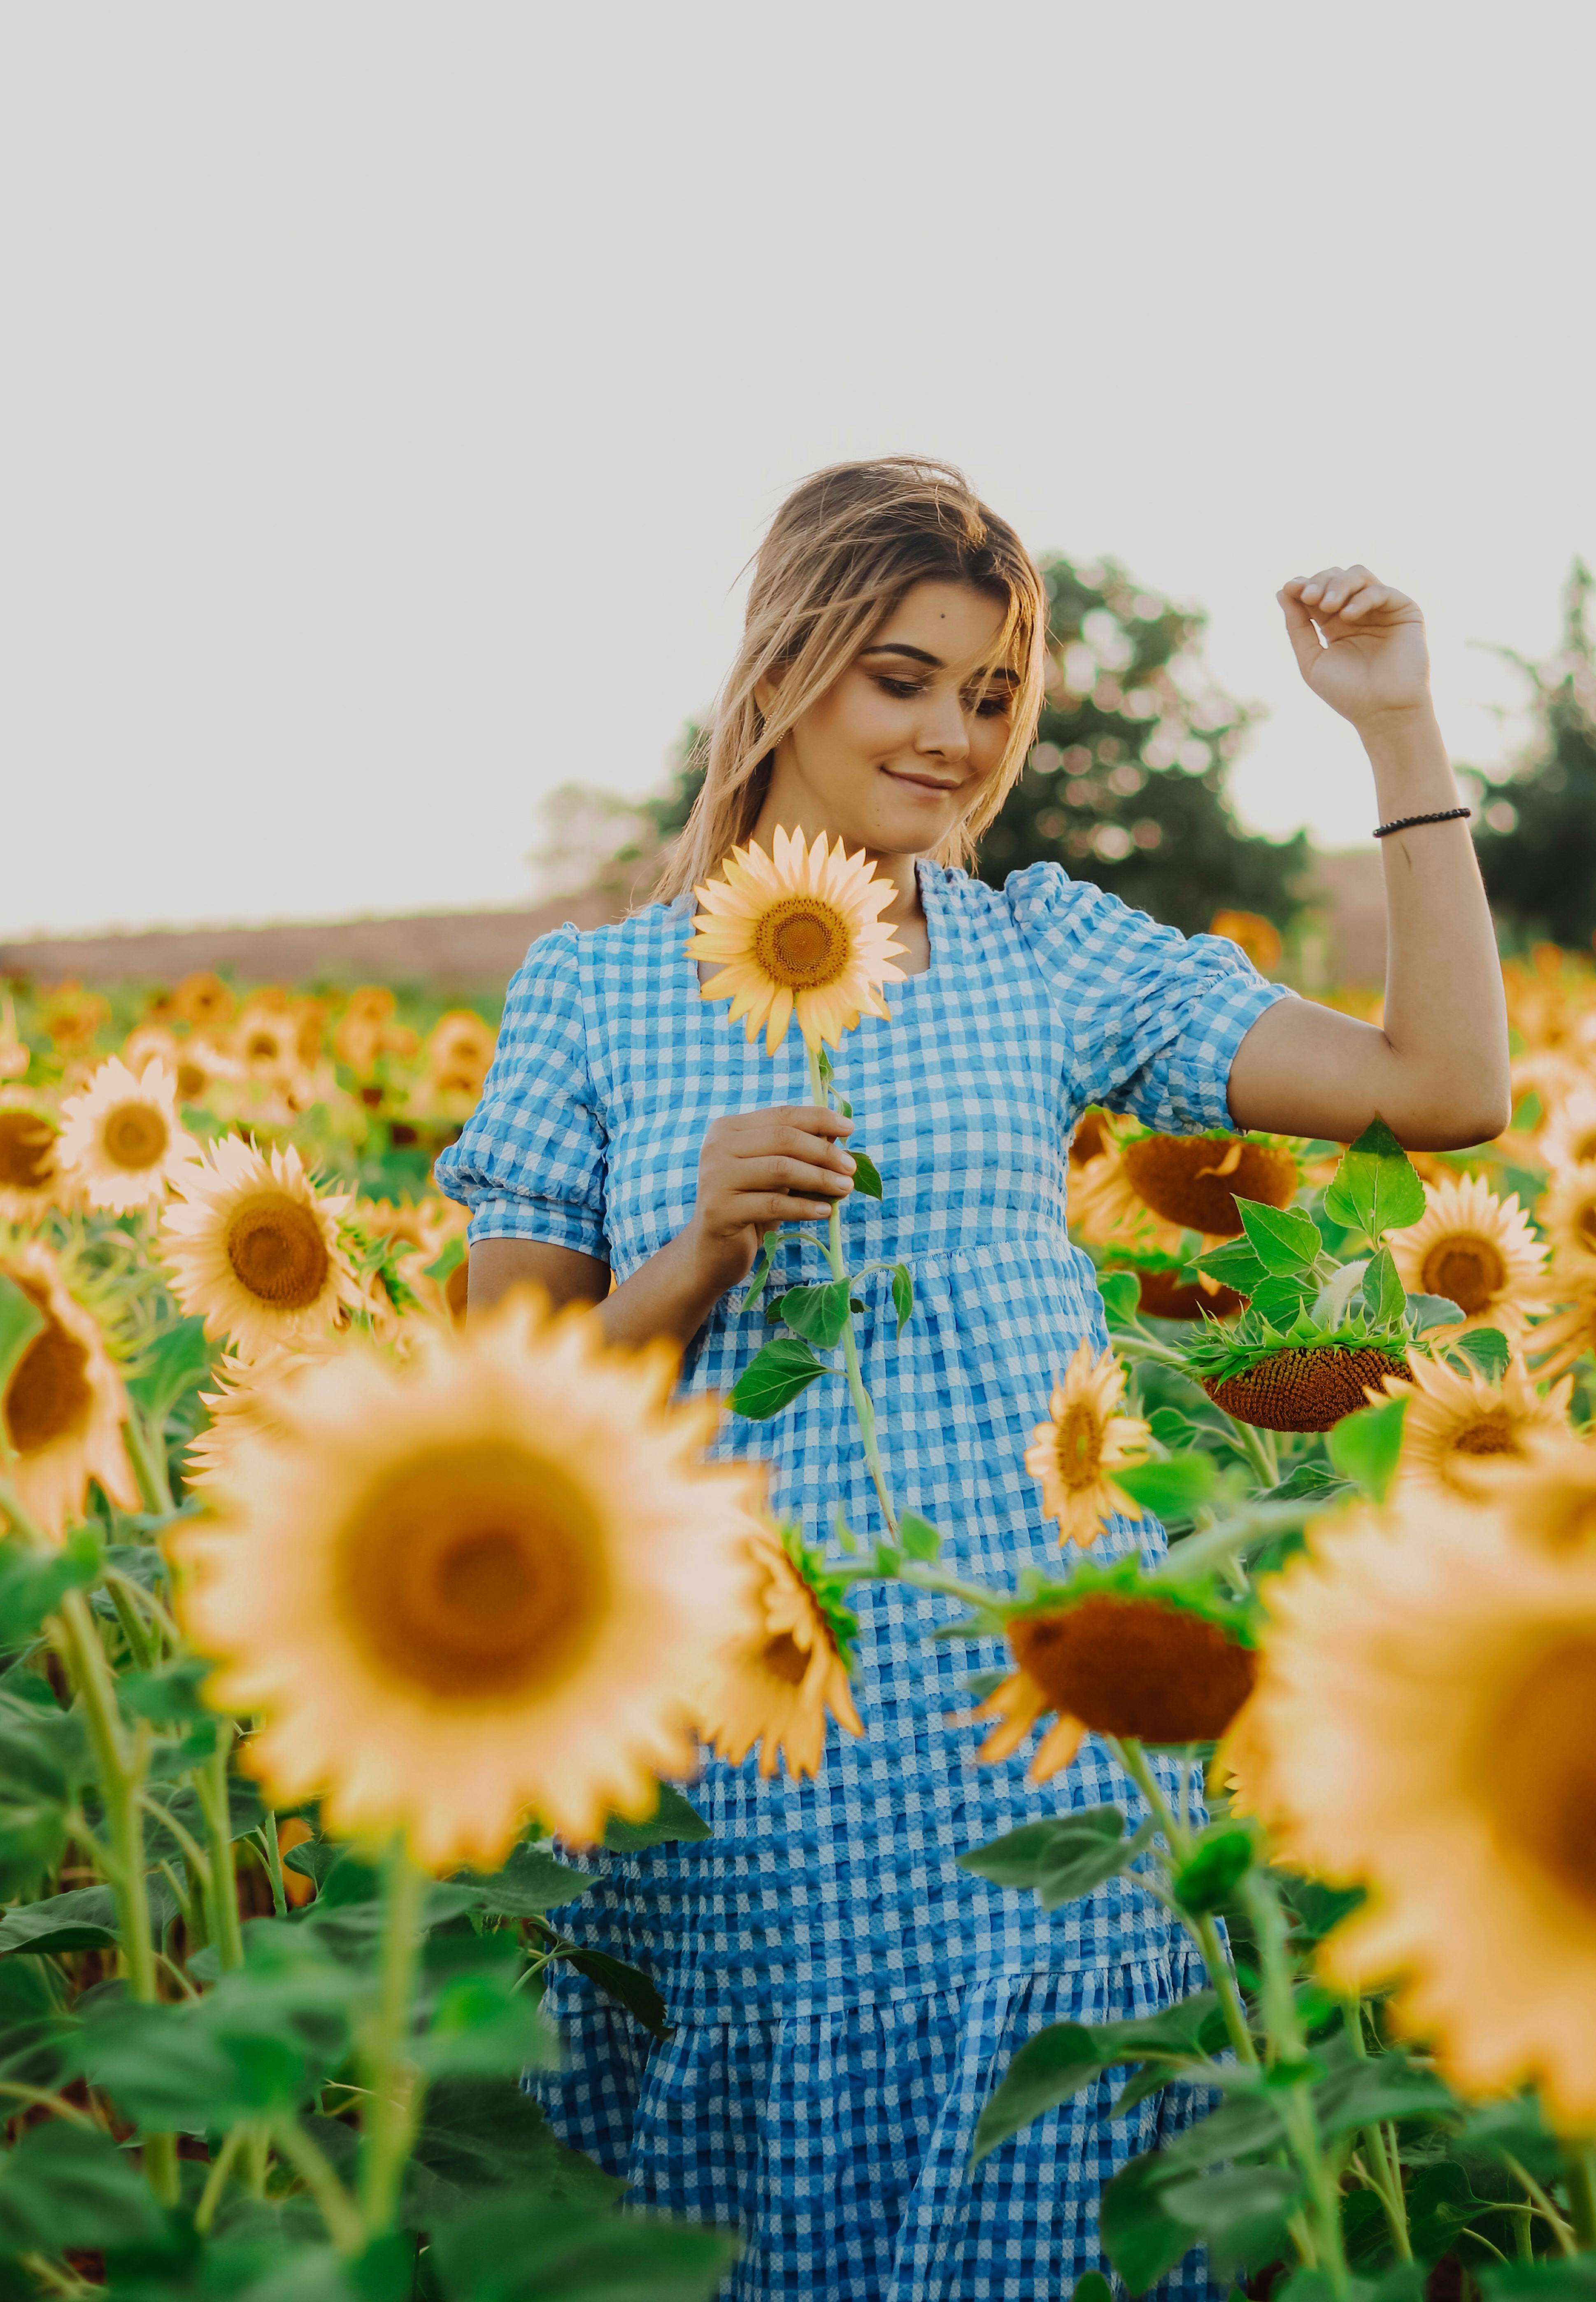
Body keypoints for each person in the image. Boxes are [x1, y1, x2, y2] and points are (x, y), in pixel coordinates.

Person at [435, 458, 1509, 2301]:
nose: (952, 736)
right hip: (747, 1772)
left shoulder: (1044, 950)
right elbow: (486, 1440)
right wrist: (690, 1260)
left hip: (1042, 1733)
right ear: (787, 669)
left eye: (991, 695)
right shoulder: (593, 994)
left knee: (1064, 2194)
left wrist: (1398, 733)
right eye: (903, 679)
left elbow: (1438, 1088)